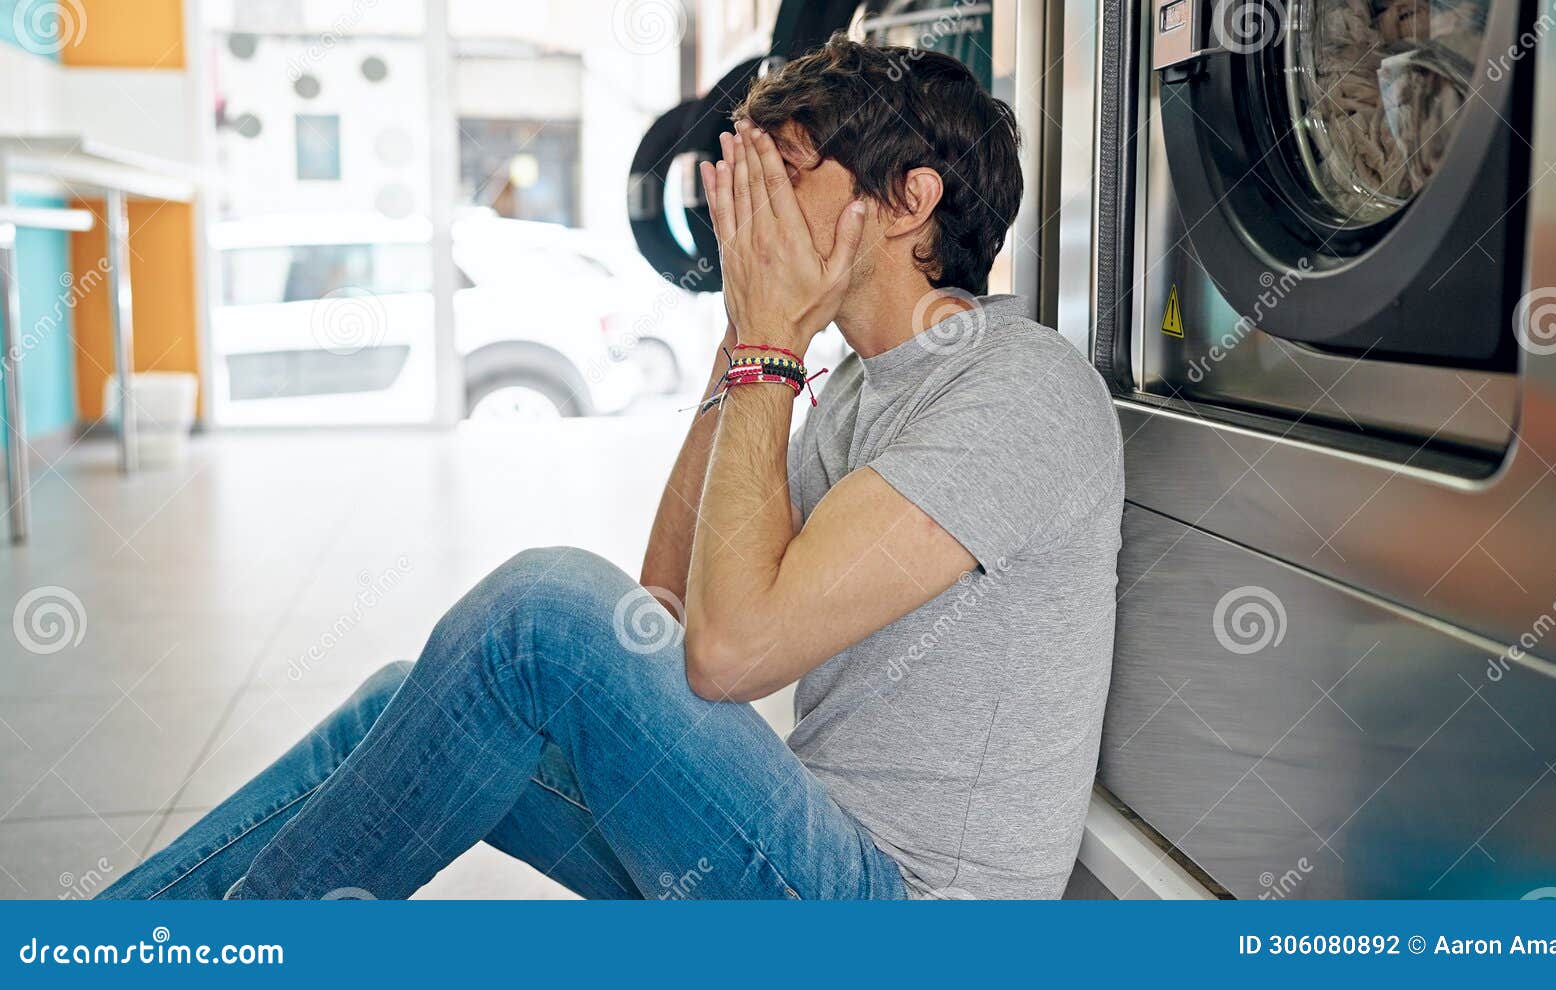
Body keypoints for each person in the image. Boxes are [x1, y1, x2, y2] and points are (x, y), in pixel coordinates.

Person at [103, 36, 1123, 902]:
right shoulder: (855, 387)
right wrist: (745, 344)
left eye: (786, 175)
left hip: (906, 909)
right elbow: (666, 612)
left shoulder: (1016, 385)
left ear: (908, 203)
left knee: (540, 614)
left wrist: (771, 344)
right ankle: (110, 946)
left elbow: (728, 659)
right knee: (401, 700)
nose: (746, 210)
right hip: (801, 846)